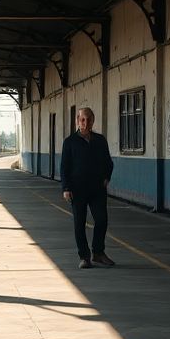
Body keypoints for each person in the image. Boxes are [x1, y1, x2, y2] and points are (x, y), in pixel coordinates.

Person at [61, 107, 115, 269]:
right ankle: (84, 257)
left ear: (93, 121)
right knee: (80, 223)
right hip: (77, 189)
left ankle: (98, 252)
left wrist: (106, 177)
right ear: (77, 121)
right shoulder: (70, 142)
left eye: (89, 119)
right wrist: (66, 188)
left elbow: (108, 162)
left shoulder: (100, 140)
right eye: (82, 119)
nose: (85, 122)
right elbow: (64, 167)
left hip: (97, 188)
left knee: (102, 220)